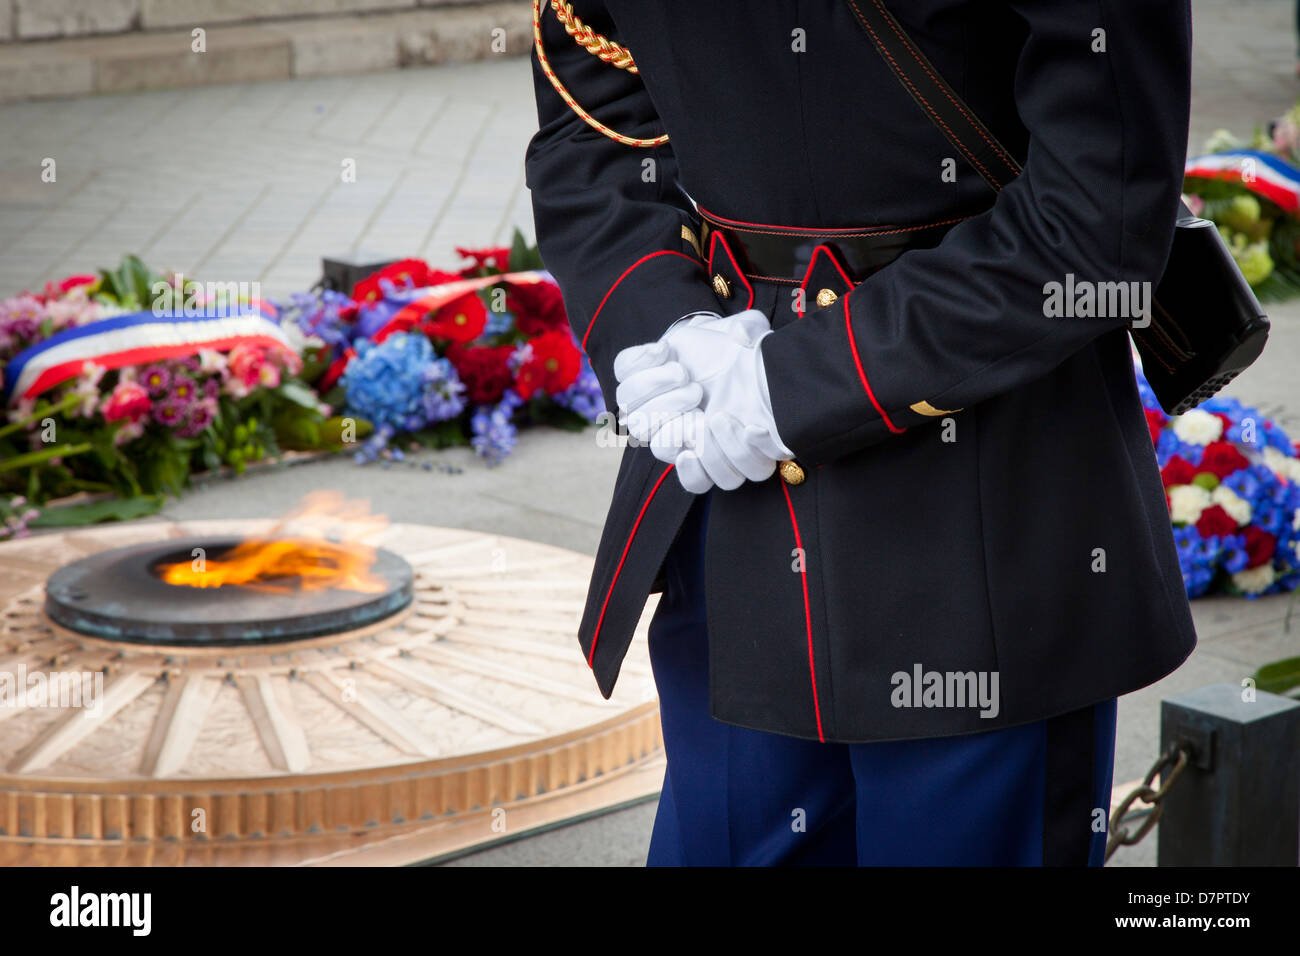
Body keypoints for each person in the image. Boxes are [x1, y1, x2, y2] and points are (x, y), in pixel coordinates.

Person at [524, 0, 1197, 865]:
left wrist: (791, 387)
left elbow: (1095, 214)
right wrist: (662, 322)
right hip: (729, 490)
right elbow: (593, 128)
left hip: (985, 507)